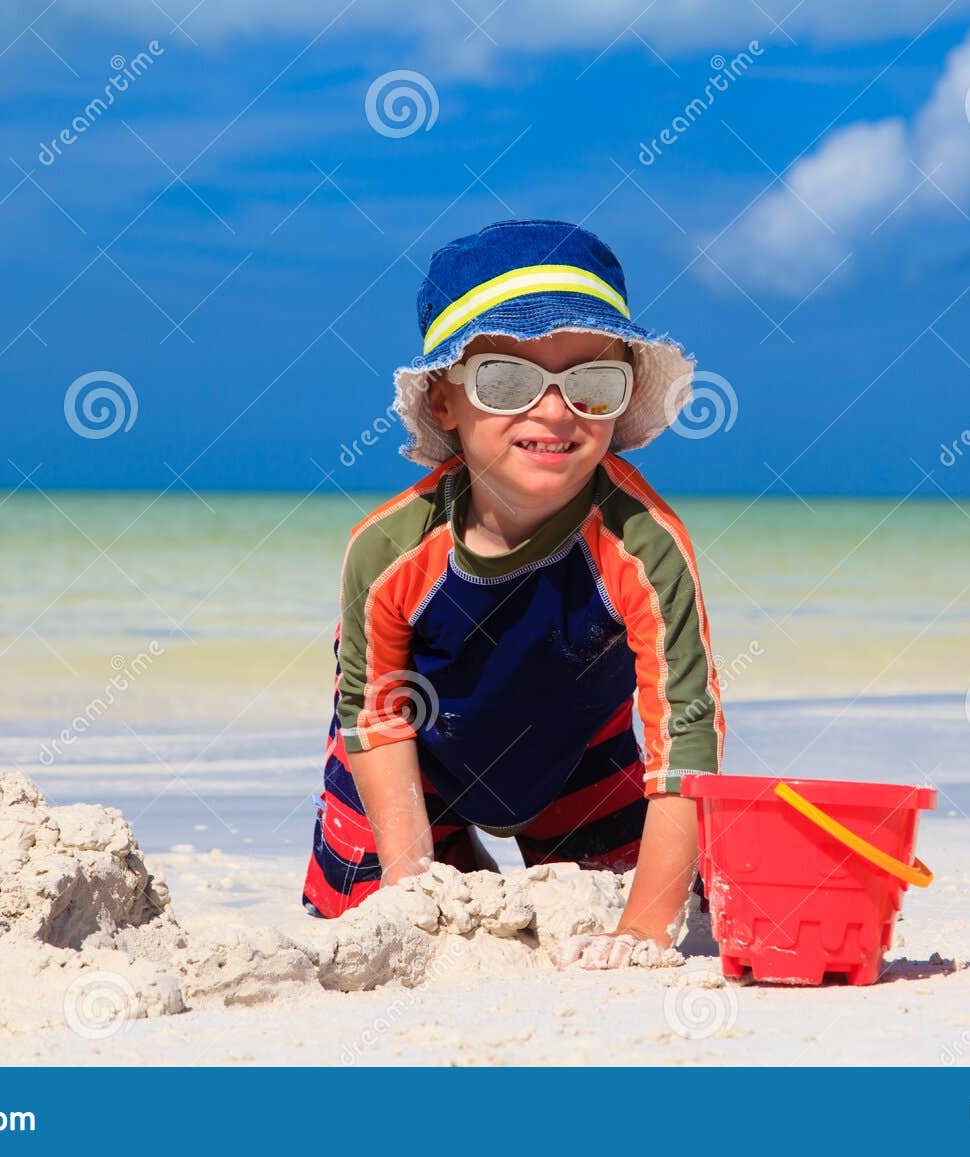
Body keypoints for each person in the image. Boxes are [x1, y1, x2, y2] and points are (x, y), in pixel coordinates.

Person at [302, 219, 724, 968]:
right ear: (444, 403)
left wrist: (645, 926)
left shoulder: (646, 546)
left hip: (576, 762)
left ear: (621, 399)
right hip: (417, 764)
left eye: (591, 383)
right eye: (507, 381)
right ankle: (441, 861)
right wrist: (412, 885)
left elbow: (683, 746)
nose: (556, 411)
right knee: (381, 925)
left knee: (646, 909)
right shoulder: (389, 550)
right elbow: (373, 714)